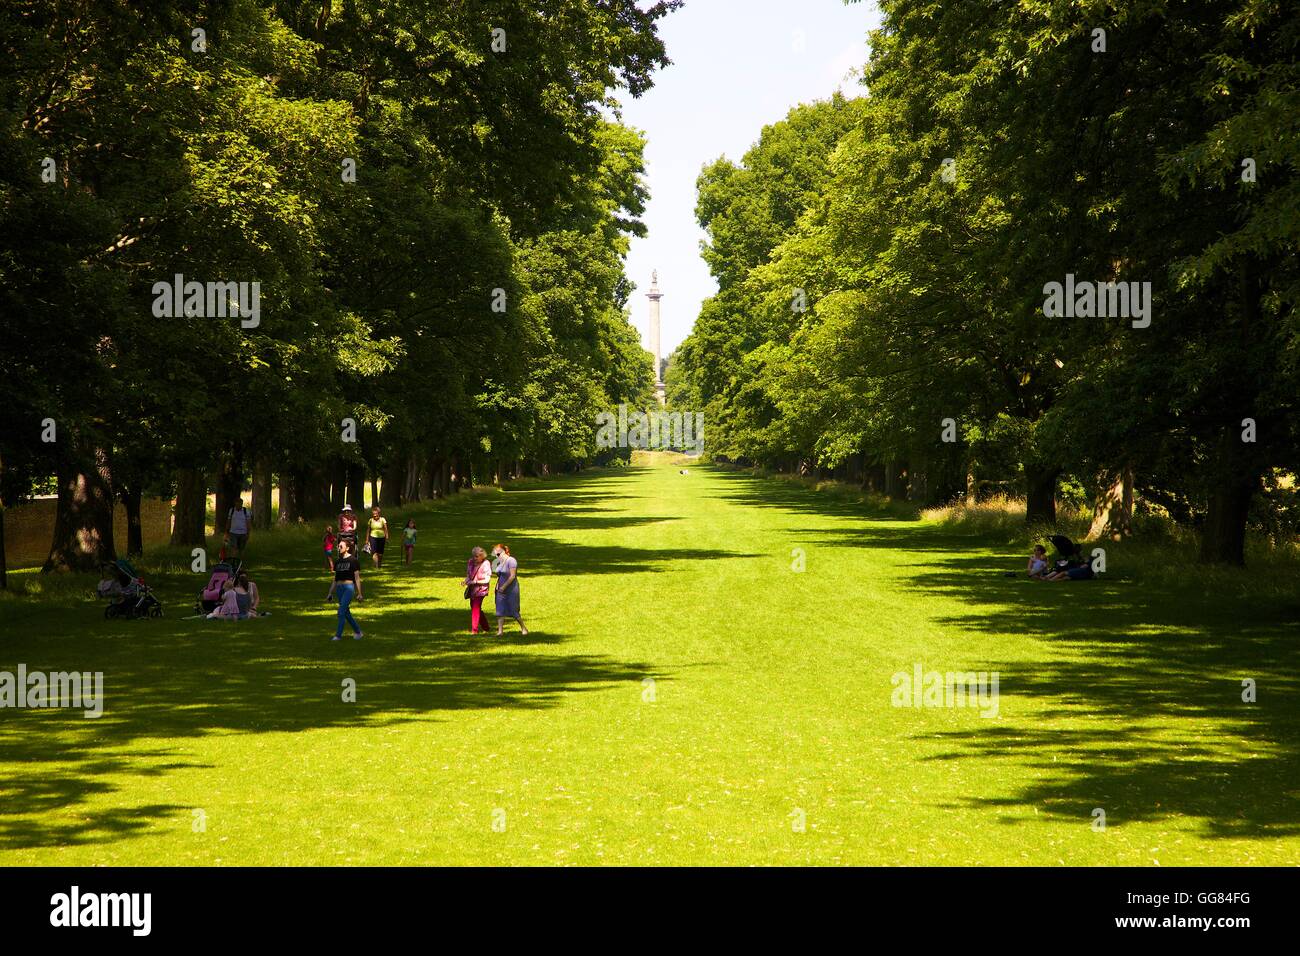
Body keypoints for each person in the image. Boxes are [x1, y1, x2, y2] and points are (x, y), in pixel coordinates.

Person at [326, 539, 364, 640]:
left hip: (348, 588)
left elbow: (357, 578)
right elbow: (335, 579)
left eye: (341, 546)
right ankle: (358, 632)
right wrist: (330, 593)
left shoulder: (353, 560)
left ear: (347, 548)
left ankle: (338, 636)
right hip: (339, 589)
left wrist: (359, 593)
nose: (339, 548)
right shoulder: (337, 562)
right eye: (338, 546)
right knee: (346, 613)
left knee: (341, 612)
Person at [491, 544, 528, 636]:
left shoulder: (511, 561)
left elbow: (512, 576)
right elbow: (497, 574)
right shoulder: (499, 562)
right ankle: (500, 631)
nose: (497, 556)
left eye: (498, 554)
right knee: (499, 609)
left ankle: (524, 628)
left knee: (513, 609)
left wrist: (504, 587)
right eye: (495, 555)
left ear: (504, 551)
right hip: (500, 589)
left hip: (511, 588)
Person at [464, 546, 492, 634]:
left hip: (481, 589)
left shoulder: (486, 563)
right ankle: (486, 627)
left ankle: (474, 630)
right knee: (474, 607)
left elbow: (487, 580)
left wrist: (475, 582)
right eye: (473, 556)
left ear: (482, 556)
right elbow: (468, 575)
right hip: (472, 589)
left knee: (475, 607)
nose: (474, 558)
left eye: (476, 556)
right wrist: (465, 581)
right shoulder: (470, 562)